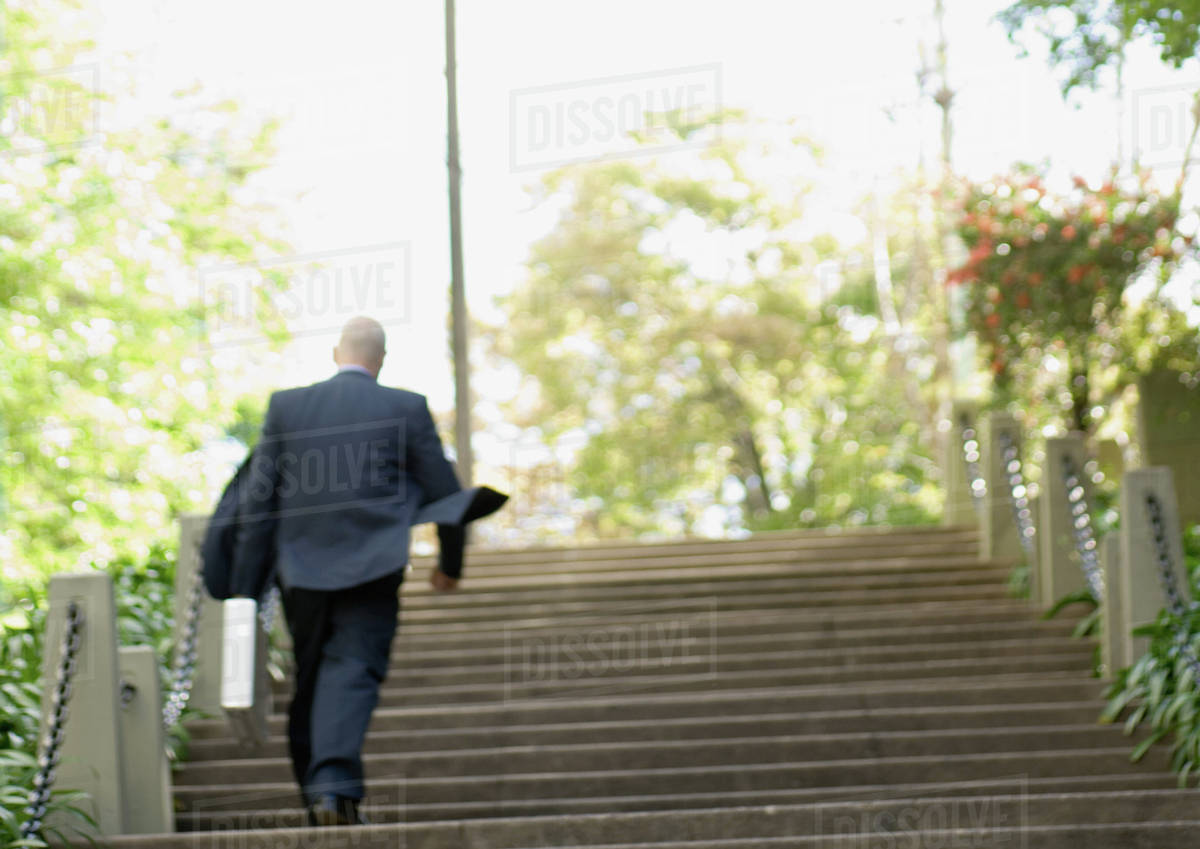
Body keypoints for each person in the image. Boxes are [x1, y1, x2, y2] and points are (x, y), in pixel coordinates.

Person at [230, 315, 465, 827]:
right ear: (381, 360)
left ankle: (322, 795)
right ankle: (333, 789)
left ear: (337, 354)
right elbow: (447, 494)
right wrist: (449, 564)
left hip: (302, 570)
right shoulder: (406, 407)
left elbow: (258, 502)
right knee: (352, 666)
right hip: (374, 566)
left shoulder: (288, 406)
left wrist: (244, 589)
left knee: (313, 678)